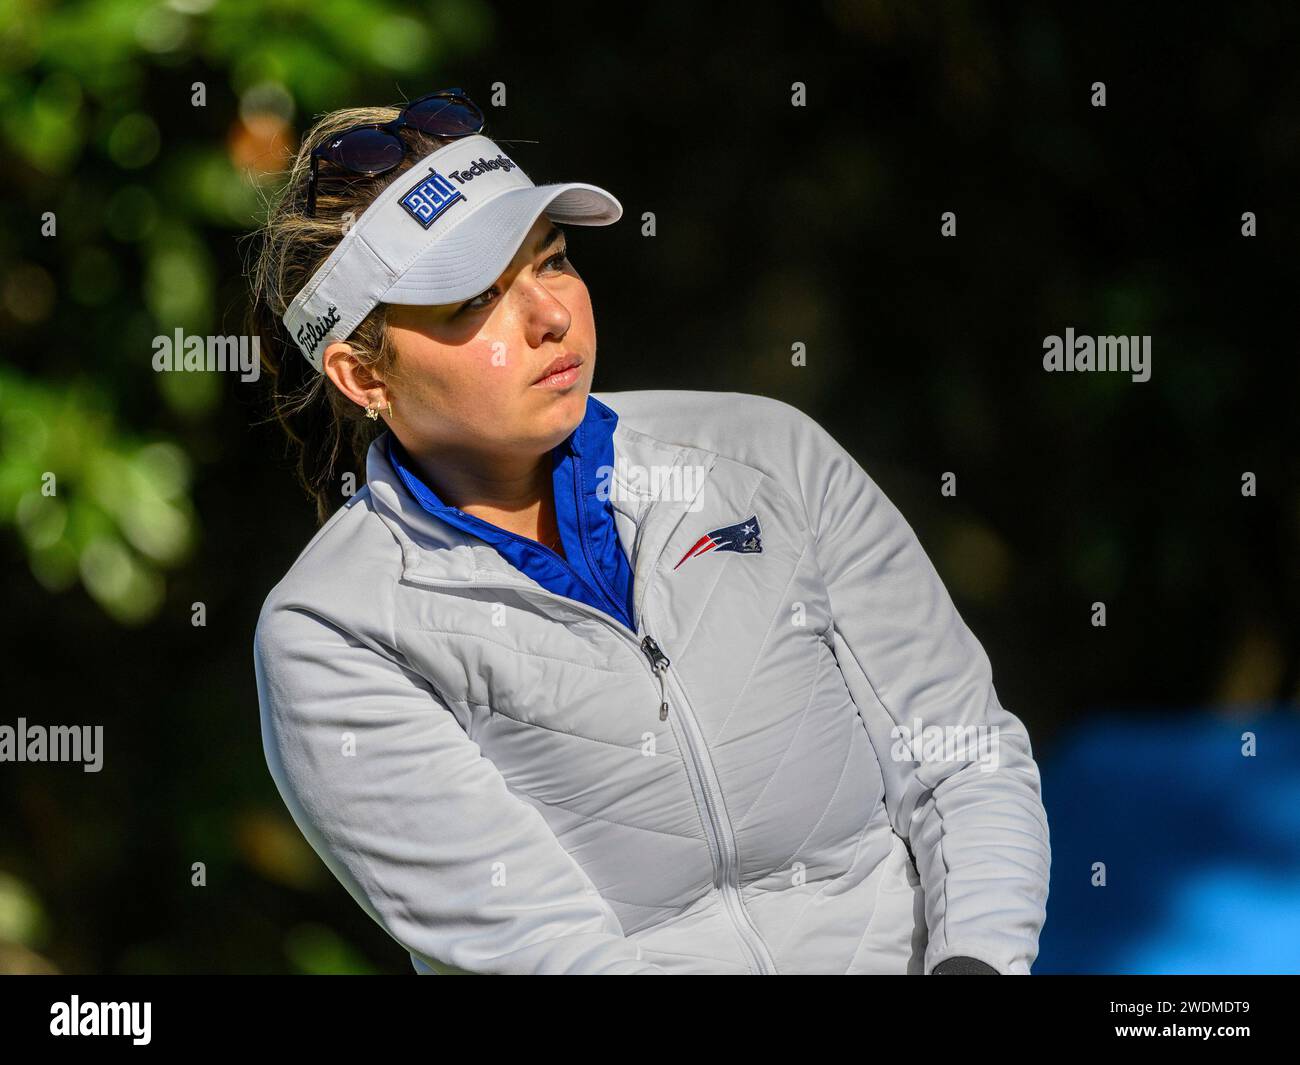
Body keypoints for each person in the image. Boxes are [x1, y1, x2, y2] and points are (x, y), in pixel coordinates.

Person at [247, 88, 1051, 975]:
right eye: (476, 296)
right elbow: (557, 957)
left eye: (551, 262)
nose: (550, 315)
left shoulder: (768, 452)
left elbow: (963, 764)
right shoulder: (333, 631)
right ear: (363, 375)